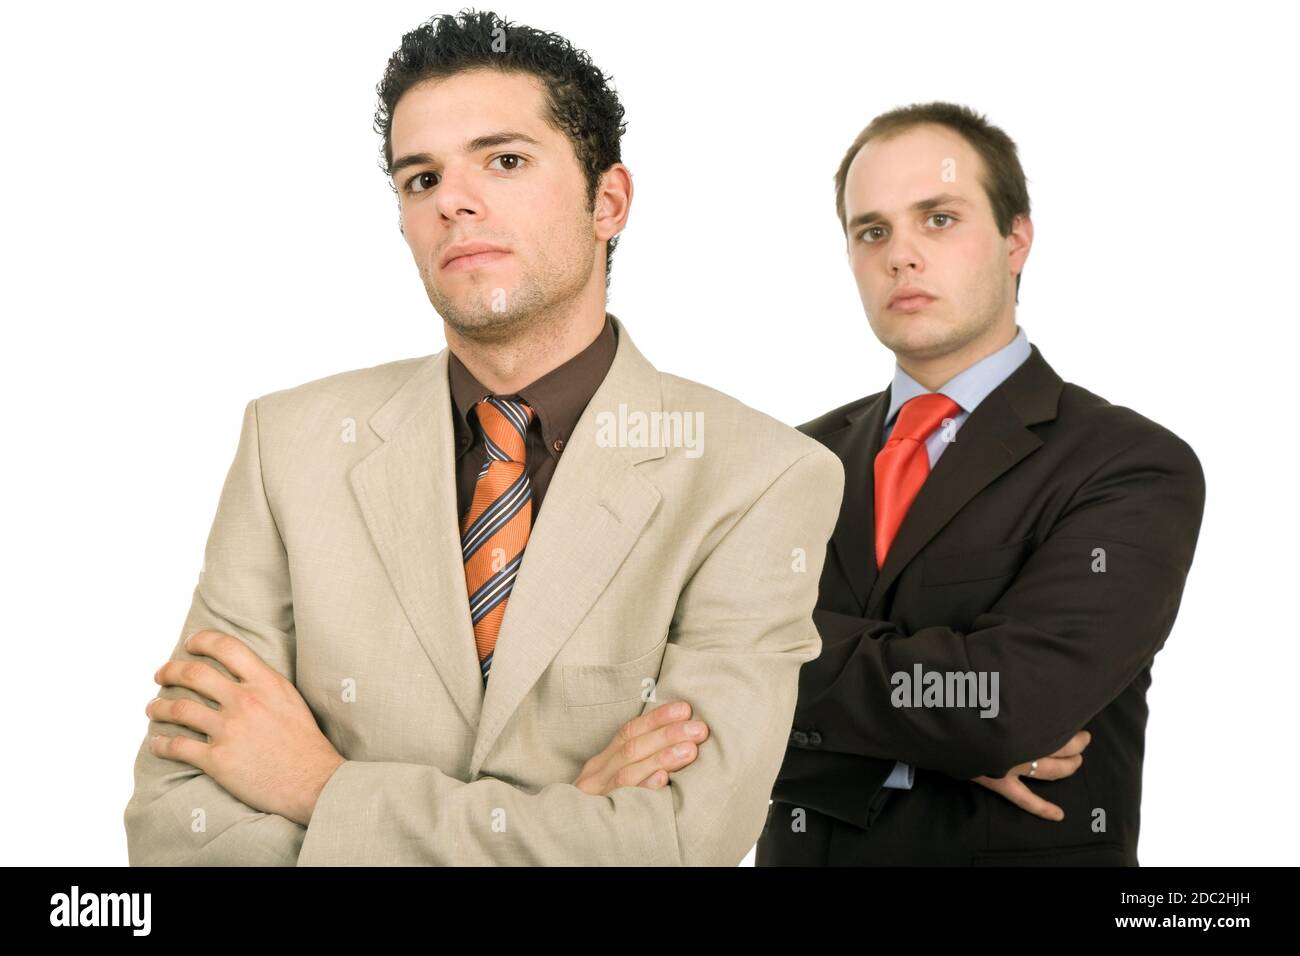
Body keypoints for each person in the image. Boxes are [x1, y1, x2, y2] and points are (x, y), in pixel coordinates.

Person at [124, 10, 843, 866]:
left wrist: (320, 788)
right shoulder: (288, 445)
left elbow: (685, 841)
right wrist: (567, 827)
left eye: (504, 160)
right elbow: (181, 825)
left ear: (606, 201)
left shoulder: (759, 478)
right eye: (420, 179)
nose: (454, 200)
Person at [756, 102, 1205, 866]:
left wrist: (766, 668)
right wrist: (942, 737)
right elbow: (680, 690)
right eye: (873, 232)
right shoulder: (788, 464)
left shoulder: (1129, 464)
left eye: (937, 219)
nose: (901, 255)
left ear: (1015, 239)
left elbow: (1009, 705)